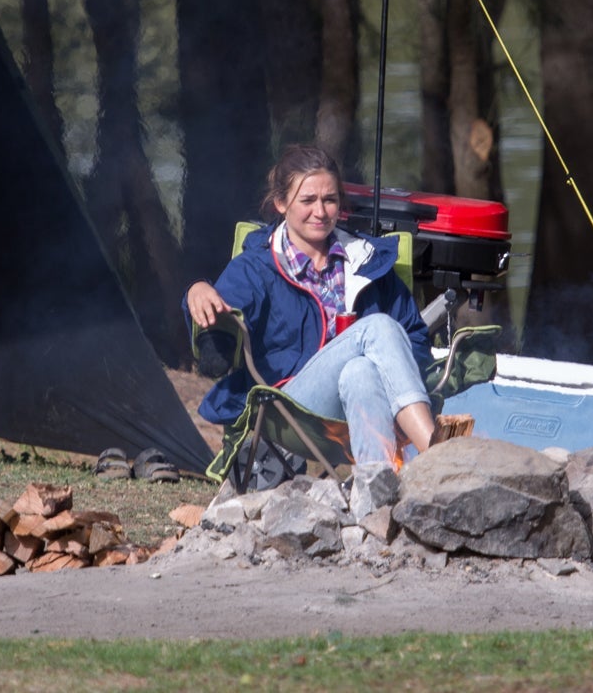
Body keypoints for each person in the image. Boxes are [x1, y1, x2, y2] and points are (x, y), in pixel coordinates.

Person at [185, 145, 440, 465]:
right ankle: (435, 455)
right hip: (290, 407)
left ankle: (377, 490)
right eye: (307, 200)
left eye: (330, 200)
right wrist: (197, 290)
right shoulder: (256, 267)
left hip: (363, 397)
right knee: (376, 327)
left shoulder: (367, 261)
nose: (320, 212)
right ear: (281, 203)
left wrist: (390, 367)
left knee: (359, 370)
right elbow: (218, 347)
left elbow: (415, 337)